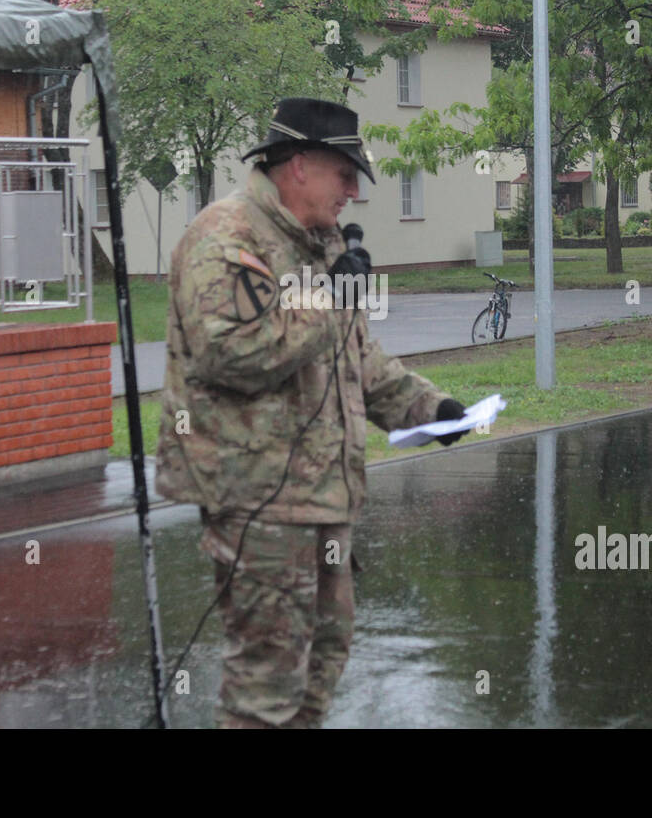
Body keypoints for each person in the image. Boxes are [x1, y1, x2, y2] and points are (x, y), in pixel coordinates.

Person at [155, 97, 469, 728]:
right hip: (260, 507)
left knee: (319, 672)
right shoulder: (227, 239)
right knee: (265, 688)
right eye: (343, 173)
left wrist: (432, 409)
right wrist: (330, 300)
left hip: (323, 501)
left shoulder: (317, 246)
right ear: (298, 165)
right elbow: (231, 352)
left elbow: (358, 361)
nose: (353, 190)